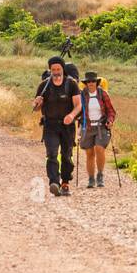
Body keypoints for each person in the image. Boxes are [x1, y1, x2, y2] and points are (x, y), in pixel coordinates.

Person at [33, 56, 80, 196]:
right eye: (53, 69)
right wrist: (37, 103)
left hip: (67, 126)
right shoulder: (44, 86)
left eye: (58, 69)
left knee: (66, 155)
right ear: (50, 70)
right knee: (52, 154)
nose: (56, 72)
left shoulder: (71, 84)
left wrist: (71, 115)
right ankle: (54, 182)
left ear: (63, 69)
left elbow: (78, 105)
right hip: (50, 125)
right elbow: (35, 108)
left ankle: (65, 182)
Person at [78, 72, 116, 188]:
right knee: (89, 154)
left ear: (96, 82)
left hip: (101, 127)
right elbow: (78, 110)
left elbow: (111, 111)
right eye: (88, 82)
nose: (91, 83)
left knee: (99, 149)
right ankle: (91, 179)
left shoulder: (103, 94)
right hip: (87, 127)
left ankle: (100, 176)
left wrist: (110, 121)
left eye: (93, 81)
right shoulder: (82, 95)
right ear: (85, 83)